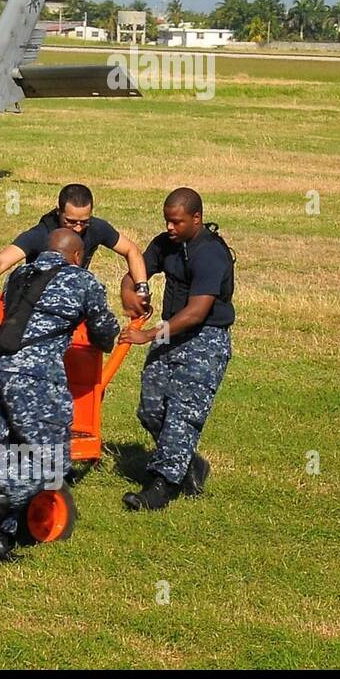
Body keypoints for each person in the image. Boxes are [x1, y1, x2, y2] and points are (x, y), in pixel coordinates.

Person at [0, 229, 120, 563]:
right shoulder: (81, 279)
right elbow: (104, 331)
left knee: (9, 456)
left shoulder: (19, 274)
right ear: (77, 256)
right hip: (34, 377)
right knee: (52, 459)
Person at [117, 187, 235, 510]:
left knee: (183, 414)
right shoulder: (167, 244)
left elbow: (197, 312)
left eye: (177, 222)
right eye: (167, 221)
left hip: (204, 339)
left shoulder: (210, 253)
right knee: (151, 409)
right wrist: (132, 292)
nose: (170, 227)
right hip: (172, 332)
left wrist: (149, 335)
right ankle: (189, 464)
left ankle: (161, 487)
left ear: (196, 219)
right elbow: (137, 268)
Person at [0, 183, 150, 317]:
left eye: (84, 221)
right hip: (37, 309)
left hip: (72, 305)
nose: (78, 228)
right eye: (70, 221)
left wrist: (141, 288)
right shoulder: (41, 234)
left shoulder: (96, 228)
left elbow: (131, 250)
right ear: (58, 212)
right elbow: (1, 261)